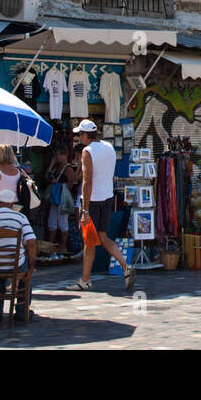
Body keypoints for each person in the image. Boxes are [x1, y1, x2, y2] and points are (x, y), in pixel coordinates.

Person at [73, 120, 134, 292]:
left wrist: (84, 209)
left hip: (93, 200)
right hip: (107, 197)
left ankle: (85, 280)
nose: (79, 138)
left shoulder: (87, 151)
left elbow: (87, 181)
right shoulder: (109, 147)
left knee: (89, 240)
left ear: (86, 135)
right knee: (102, 236)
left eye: (79, 134)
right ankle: (125, 266)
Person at [0, 188, 37, 323]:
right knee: (24, 271)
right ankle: (22, 311)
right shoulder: (21, 218)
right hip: (14, 265)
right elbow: (31, 242)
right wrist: (32, 267)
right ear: (12, 204)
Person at [44, 147, 77, 251]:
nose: (57, 157)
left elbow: (70, 184)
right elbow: (46, 176)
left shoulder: (68, 168)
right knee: (52, 221)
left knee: (63, 222)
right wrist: (52, 164)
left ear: (64, 155)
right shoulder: (57, 167)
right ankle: (50, 245)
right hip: (55, 198)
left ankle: (63, 246)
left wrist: (59, 184)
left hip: (62, 198)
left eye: (59, 154)